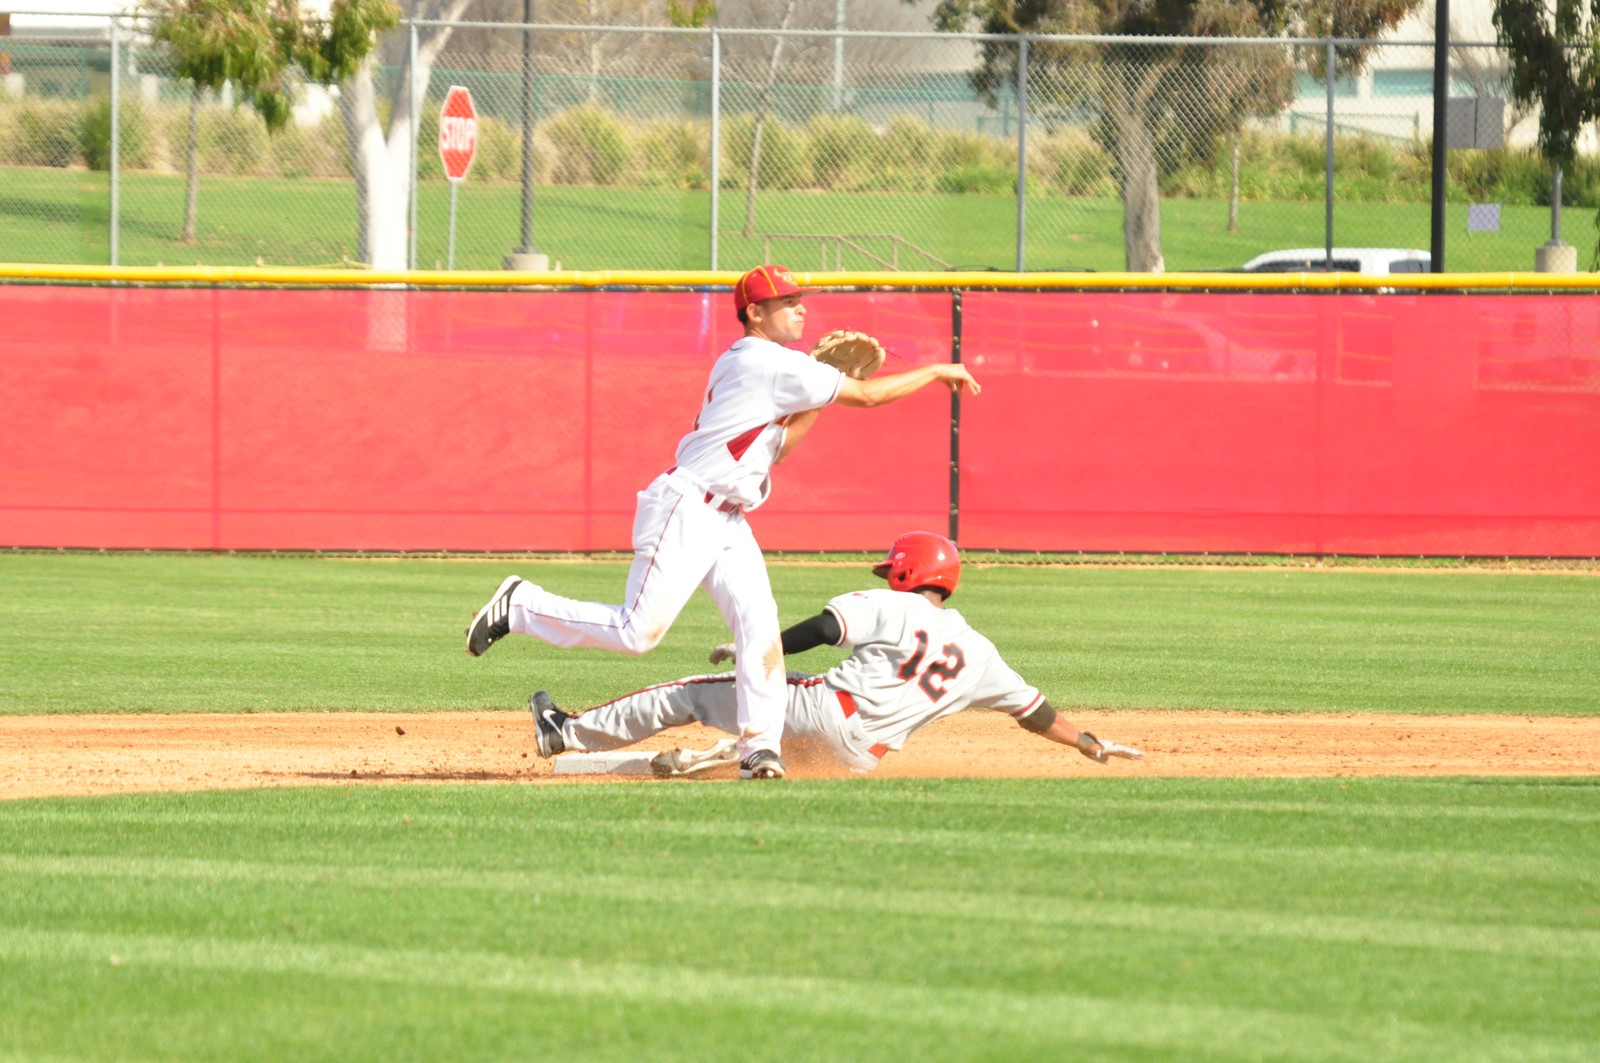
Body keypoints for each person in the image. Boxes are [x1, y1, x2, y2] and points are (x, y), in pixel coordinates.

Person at [465, 266, 983, 781]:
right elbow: (868, 397)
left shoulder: (768, 367)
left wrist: (817, 398)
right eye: (787, 302)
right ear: (755, 313)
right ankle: (522, 605)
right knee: (636, 632)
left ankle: (760, 749)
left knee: (760, 630)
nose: (800, 308)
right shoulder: (766, 361)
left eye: (800, 299)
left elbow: (780, 449)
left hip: (728, 519)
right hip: (687, 506)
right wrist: (937, 371)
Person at [525, 531, 1144, 777]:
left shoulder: (894, 604)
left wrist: (757, 646)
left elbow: (826, 628)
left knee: (690, 694)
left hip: (823, 711)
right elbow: (1034, 712)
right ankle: (684, 763)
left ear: (906, 572)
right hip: (859, 759)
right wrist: (1089, 744)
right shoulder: (980, 653)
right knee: (760, 757)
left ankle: (566, 734)